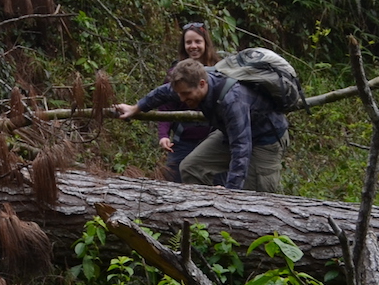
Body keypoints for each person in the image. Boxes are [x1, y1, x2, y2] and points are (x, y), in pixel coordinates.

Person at [115, 56, 286, 192]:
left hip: (265, 140)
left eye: (186, 94)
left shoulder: (232, 100)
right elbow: (163, 93)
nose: (181, 99)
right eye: (179, 94)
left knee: (253, 195)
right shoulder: (189, 85)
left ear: (202, 84)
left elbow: (241, 148)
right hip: (231, 131)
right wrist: (135, 108)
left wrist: (231, 192)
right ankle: (204, 221)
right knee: (191, 168)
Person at [156, 24, 218, 182]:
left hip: (214, 141)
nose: (193, 46)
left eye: (198, 41)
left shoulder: (218, 70)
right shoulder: (175, 73)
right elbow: (166, 106)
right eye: (188, 42)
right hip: (183, 141)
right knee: (174, 184)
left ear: (205, 43)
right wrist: (163, 135)